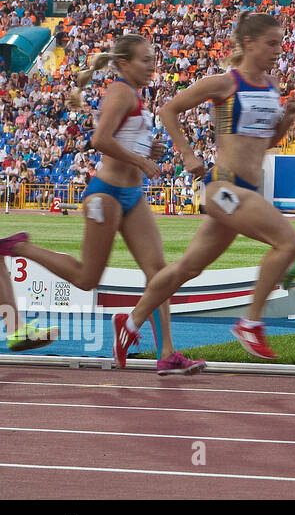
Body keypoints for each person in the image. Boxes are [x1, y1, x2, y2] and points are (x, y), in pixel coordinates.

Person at [113, 13, 295, 364]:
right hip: (223, 187)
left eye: (280, 43)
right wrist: (189, 154)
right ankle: (250, 322)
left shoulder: (271, 86)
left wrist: (286, 120)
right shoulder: (224, 83)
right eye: (271, 43)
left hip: (247, 190)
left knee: (189, 268)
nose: (277, 50)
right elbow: (168, 110)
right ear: (249, 43)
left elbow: (266, 143)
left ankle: (129, 322)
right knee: (290, 243)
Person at [1, 34, 203, 373]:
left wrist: (146, 152)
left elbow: (124, 141)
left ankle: (167, 353)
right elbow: (99, 140)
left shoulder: (135, 97)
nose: (151, 64)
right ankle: (22, 247)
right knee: (86, 278)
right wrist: (141, 163)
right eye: (144, 59)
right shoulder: (120, 92)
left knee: (158, 274)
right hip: (106, 194)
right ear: (124, 63)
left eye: (152, 58)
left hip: (131, 196)